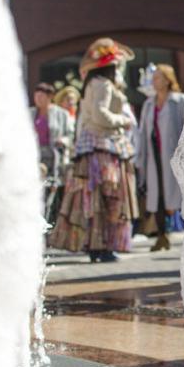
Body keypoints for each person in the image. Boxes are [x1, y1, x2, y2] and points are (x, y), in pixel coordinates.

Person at [50, 38, 139, 263]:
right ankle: (103, 246)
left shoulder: (93, 83)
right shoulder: (103, 84)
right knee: (109, 196)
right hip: (104, 144)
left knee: (94, 197)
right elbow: (100, 113)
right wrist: (123, 121)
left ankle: (96, 244)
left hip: (94, 144)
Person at [135, 64, 184, 252]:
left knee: (179, 195)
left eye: (157, 77)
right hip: (154, 153)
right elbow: (142, 132)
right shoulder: (149, 103)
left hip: (173, 154)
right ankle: (162, 235)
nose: (154, 81)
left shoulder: (179, 101)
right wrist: (140, 157)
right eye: (153, 78)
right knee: (158, 196)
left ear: (167, 79)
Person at [30, 82, 74, 185]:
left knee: (53, 185)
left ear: (49, 97)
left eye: (41, 96)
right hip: (35, 155)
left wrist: (64, 140)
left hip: (54, 155)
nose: (38, 99)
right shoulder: (30, 113)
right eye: (36, 96)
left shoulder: (62, 114)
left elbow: (71, 135)